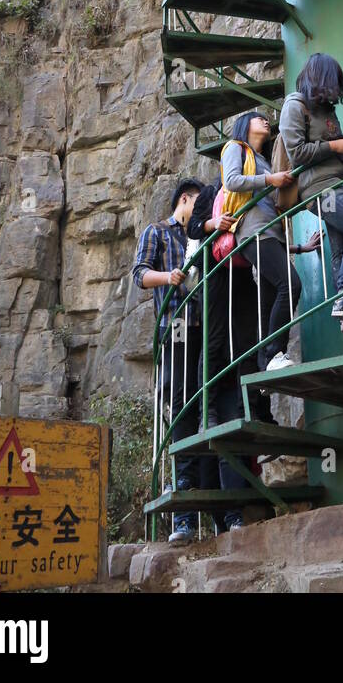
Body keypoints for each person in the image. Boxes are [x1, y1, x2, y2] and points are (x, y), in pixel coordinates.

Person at [213, 112, 321, 376]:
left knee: (271, 297)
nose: (264, 121)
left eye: (265, 118)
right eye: (257, 118)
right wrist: (270, 180)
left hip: (272, 233)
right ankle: (274, 354)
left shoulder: (262, 160)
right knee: (291, 284)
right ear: (244, 125)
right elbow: (232, 181)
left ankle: (264, 364)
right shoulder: (235, 148)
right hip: (253, 231)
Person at [132, 177, 208, 545]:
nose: (203, 210)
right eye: (199, 203)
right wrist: (169, 276)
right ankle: (183, 515)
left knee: (203, 408)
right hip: (175, 325)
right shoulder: (158, 232)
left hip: (204, 328)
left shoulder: (199, 235)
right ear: (184, 200)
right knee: (180, 407)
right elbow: (140, 274)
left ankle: (213, 510)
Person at [279, 54, 343, 317]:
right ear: (320, 78)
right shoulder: (295, 105)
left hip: (339, 183)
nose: (336, 90)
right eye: (332, 82)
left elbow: (342, 150)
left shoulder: (327, 110)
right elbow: (296, 152)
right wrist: (334, 145)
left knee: (341, 247)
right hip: (320, 189)